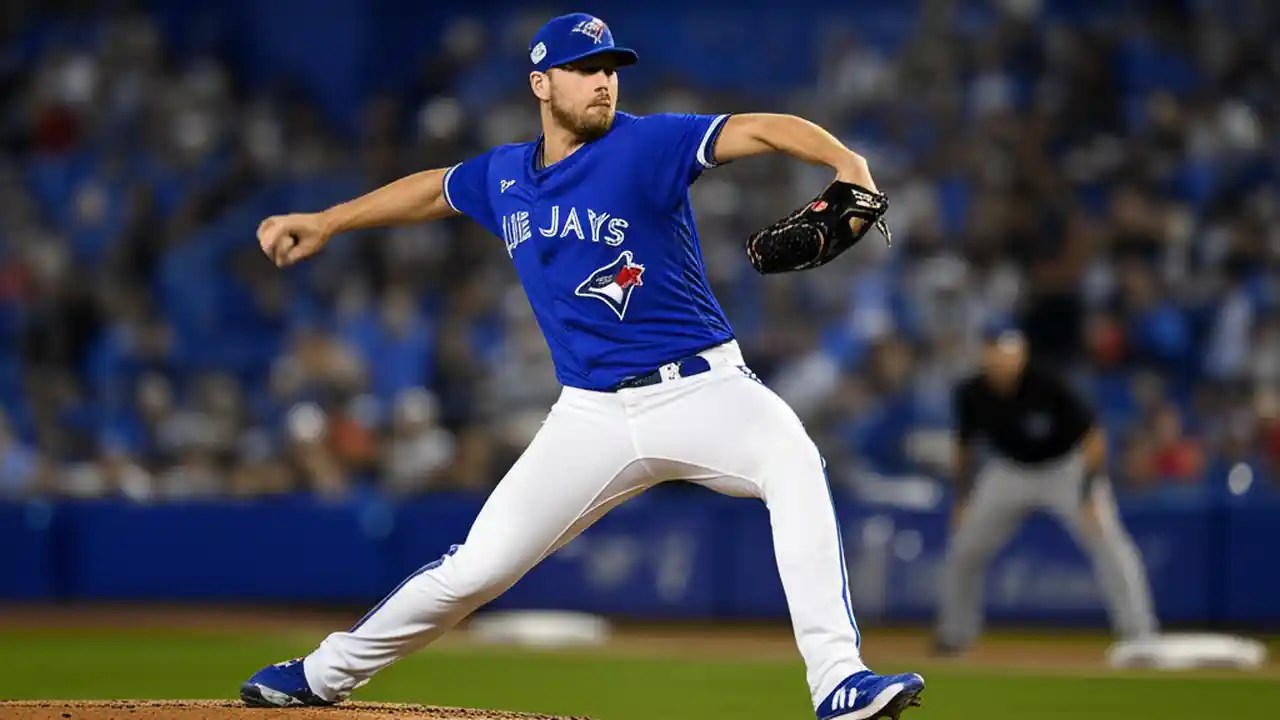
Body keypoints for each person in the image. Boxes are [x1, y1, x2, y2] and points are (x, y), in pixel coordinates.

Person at [240, 14, 923, 720]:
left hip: (702, 390)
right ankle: (324, 673)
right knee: (477, 567)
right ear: (542, 83)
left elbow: (764, 126)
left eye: (610, 68)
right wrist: (326, 222)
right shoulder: (504, 175)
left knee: (793, 462)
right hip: (590, 414)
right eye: (585, 69)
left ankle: (839, 679)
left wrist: (848, 163)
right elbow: (430, 190)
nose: (604, 82)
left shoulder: (647, 143)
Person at [935, 323, 1158, 654]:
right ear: (985, 355)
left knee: (1108, 542)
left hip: (1065, 468)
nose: (1002, 360)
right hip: (1009, 470)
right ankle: (955, 634)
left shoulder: (1048, 382)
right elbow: (964, 448)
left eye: (1008, 353)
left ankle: (1140, 635)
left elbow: (1095, 439)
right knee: (964, 546)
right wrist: (962, 499)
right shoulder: (972, 391)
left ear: (1021, 354)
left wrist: (1087, 496)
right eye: (995, 352)